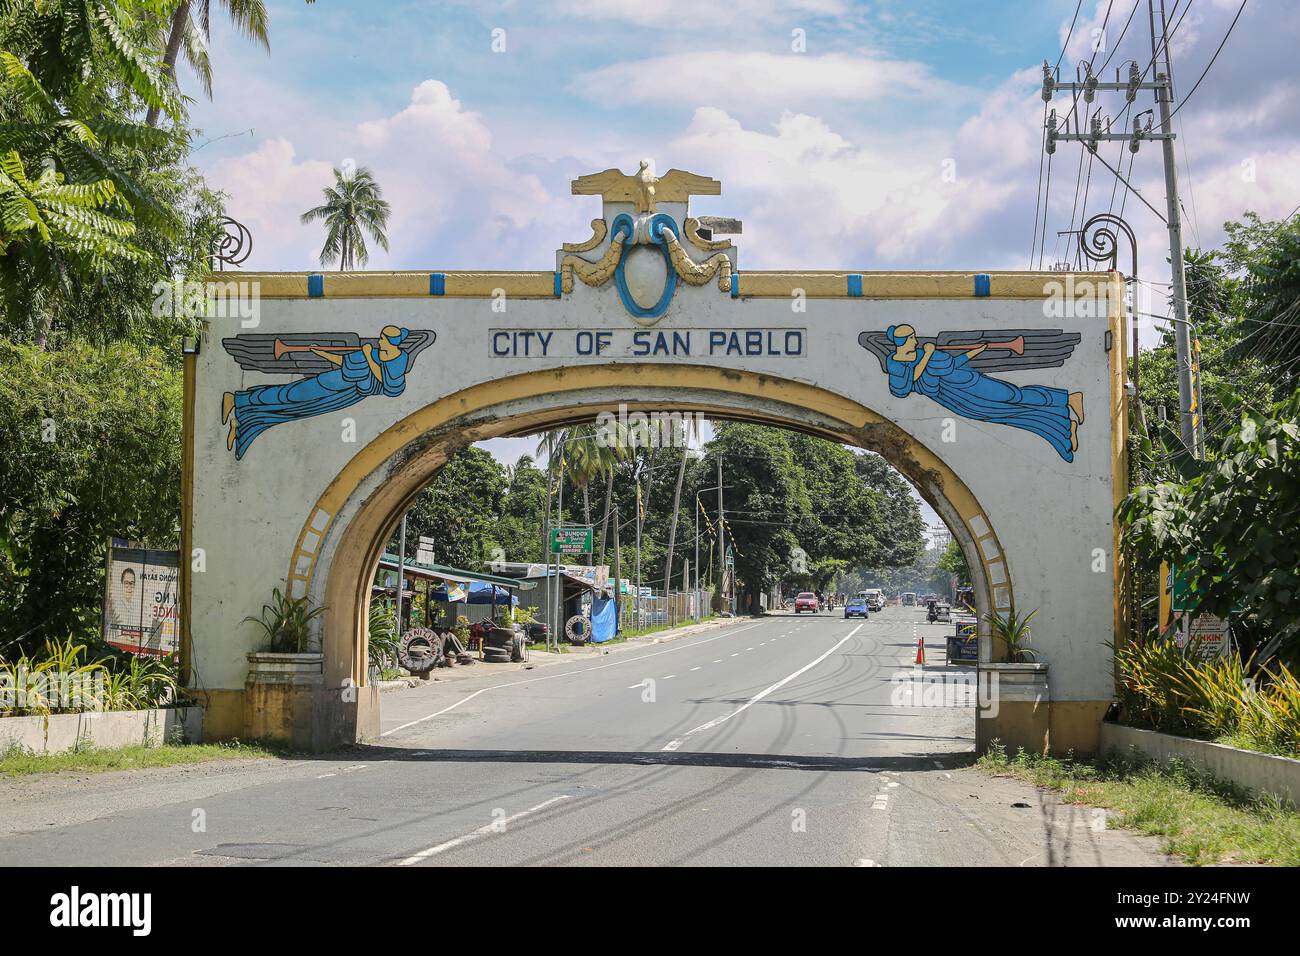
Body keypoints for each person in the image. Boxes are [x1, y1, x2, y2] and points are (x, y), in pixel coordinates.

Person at [884, 325, 1084, 463]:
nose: (915, 339)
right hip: (954, 398)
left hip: (970, 383)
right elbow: (906, 386)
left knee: (1012, 396)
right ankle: (1063, 426)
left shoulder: (924, 354)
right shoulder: (896, 363)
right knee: (1003, 413)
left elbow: (954, 364)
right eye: (911, 337)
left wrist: (977, 351)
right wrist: (927, 354)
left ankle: (1067, 398)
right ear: (901, 342)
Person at [223, 325, 416, 459]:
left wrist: (368, 355)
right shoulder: (373, 353)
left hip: (348, 395)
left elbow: (389, 385)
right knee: (291, 395)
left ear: (392, 342)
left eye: (382, 338)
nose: (379, 340)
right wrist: (321, 353)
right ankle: (237, 399)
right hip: (333, 382)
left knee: (296, 410)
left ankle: (241, 422)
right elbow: (343, 362)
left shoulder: (398, 361)